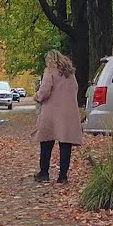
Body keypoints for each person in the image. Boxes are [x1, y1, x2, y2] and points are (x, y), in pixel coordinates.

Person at [33, 49, 84, 183]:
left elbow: (45, 91)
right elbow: (75, 89)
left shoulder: (50, 71)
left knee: (46, 142)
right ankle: (63, 176)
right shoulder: (70, 73)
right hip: (68, 113)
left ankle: (44, 173)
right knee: (65, 145)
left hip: (51, 112)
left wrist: (37, 96)